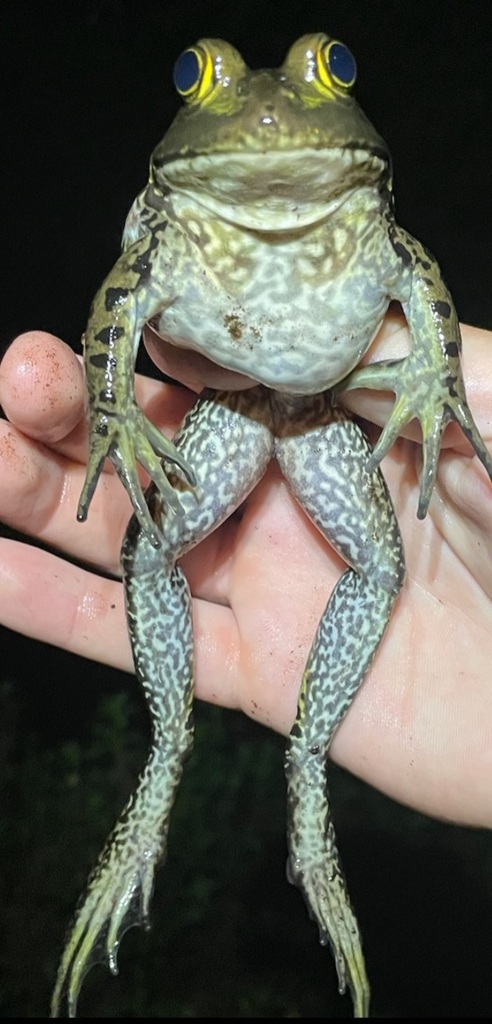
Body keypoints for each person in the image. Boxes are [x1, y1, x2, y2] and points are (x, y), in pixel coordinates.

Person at [1, 310, 491, 828]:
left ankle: (301, 802)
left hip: (315, 400)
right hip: (245, 397)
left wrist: (437, 370)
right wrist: (110, 395)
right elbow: (130, 288)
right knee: (145, 552)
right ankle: (160, 775)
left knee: (377, 570)